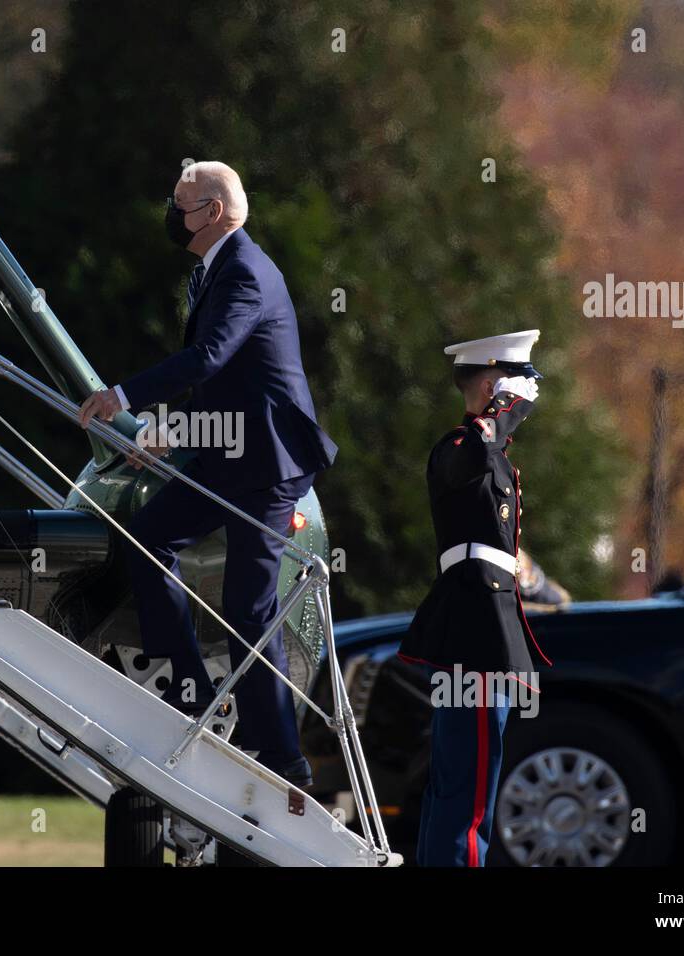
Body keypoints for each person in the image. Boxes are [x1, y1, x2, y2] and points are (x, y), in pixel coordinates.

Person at [78, 161, 337, 788]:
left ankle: (286, 762)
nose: (172, 213)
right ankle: (191, 692)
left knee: (251, 609)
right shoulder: (219, 268)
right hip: (230, 458)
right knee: (149, 541)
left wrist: (122, 394)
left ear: (212, 213)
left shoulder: (244, 270)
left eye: (181, 203)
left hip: (268, 468)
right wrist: (168, 437)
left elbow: (209, 357)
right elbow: (229, 386)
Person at [397, 329, 554, 866]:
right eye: (517, 386)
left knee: (461, 783)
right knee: (466, 788)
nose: (528, 400)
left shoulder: (494, 457)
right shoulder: (462, 448)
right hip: (476, 637)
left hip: (484, 634)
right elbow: (465, 462)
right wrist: (500, 413)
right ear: (491, 384)